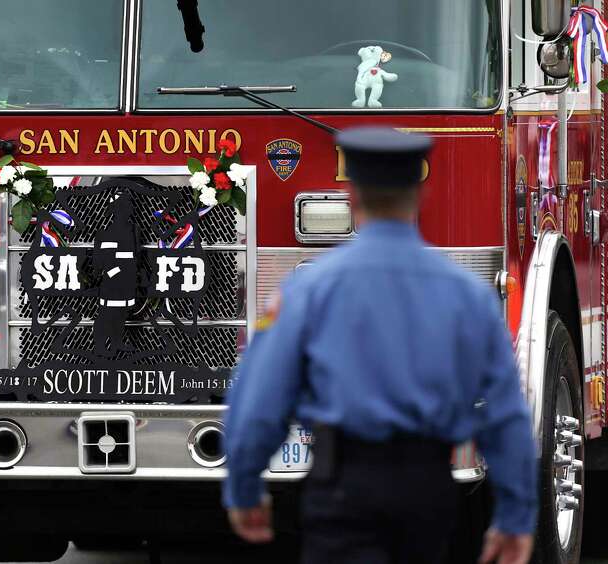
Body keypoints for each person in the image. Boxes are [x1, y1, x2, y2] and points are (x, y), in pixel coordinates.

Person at [223, 127, 537, 564]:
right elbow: (505, 413)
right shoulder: (469, 295)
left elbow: (261, 397)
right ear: (420, 196)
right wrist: (516, 515)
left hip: (342, 485)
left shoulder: (308, 290)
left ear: (352, 197)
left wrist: (243, 485)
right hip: (428, 489)